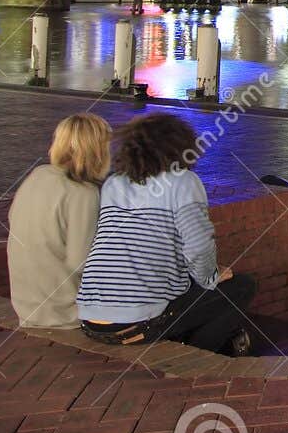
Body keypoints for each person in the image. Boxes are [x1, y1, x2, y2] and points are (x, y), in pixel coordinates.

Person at [76, 112, 257, 356]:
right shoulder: (183, 182)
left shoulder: (114, 183)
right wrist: (212, 277)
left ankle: (181, 340)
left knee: (184, 284)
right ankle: (194, 355)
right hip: (136, 324)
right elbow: (198, 247)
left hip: (90, 320)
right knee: (242, 286)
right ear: (179, 145)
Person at [7, 113, 112, 328]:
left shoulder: (38, 175)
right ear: (99, 151)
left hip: (26, 304)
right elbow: (80, 261)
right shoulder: (83, 192)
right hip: (62, 312)